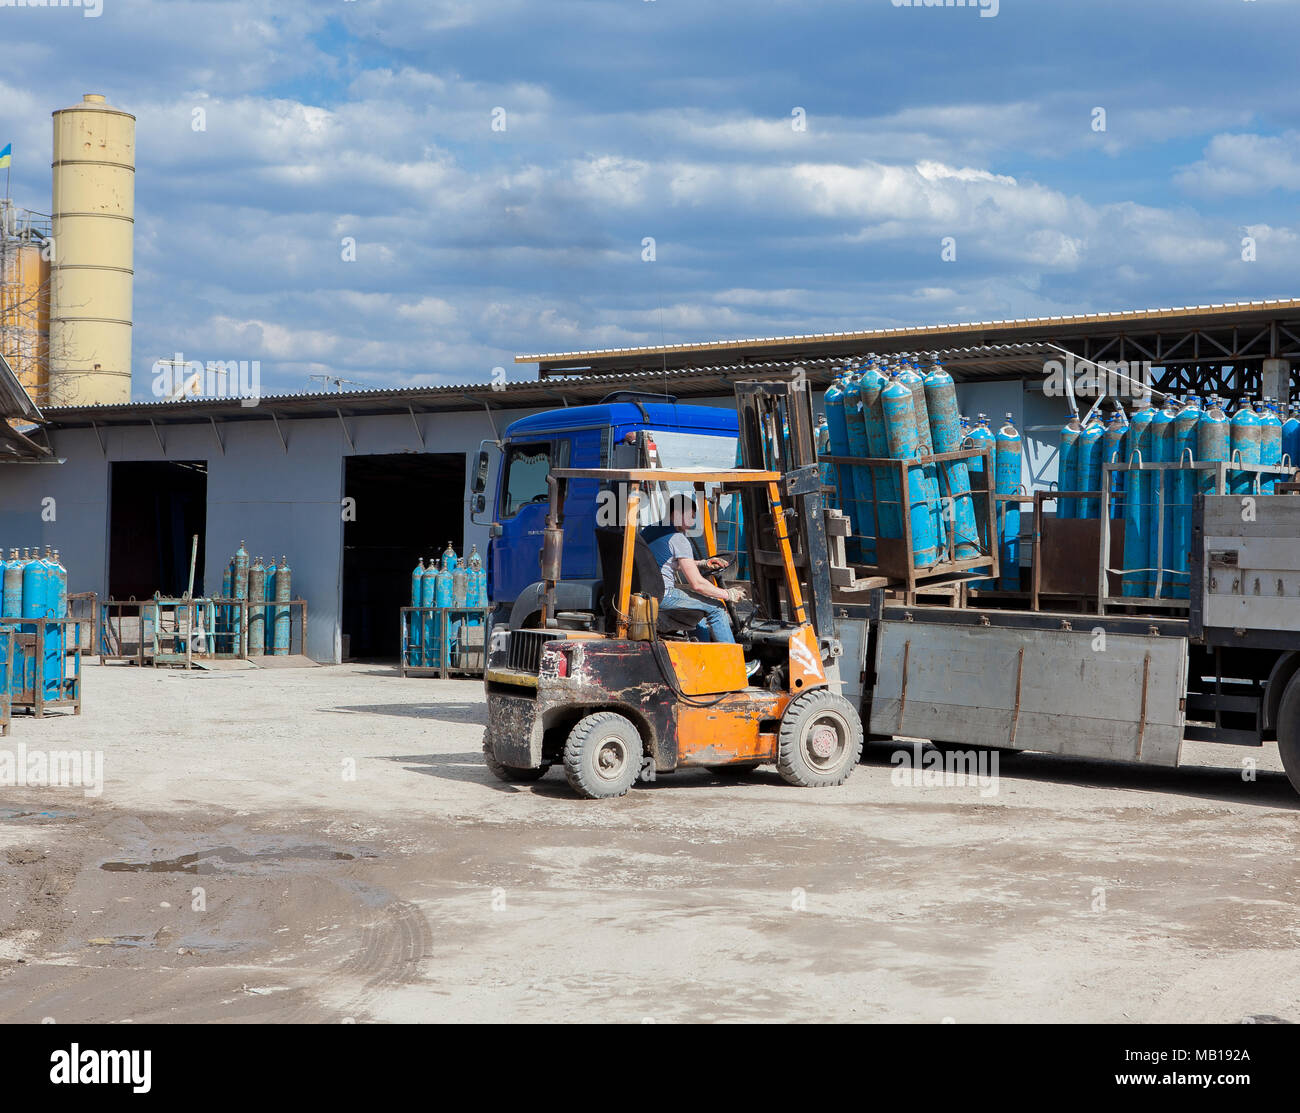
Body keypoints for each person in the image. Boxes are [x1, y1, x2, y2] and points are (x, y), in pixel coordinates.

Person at [646, 493, 743, 643]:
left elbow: (663, 561)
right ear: (676, 514)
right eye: (690, 517)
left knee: (700, 608)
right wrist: (727, 594)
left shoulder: (651, 530)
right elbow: (697, 584)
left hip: (646, 593)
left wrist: (702, 563)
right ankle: (733, 662)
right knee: (716, 608)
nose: (692, 523)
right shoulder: (677, 538)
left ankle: (701, 654)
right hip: (664, 595)